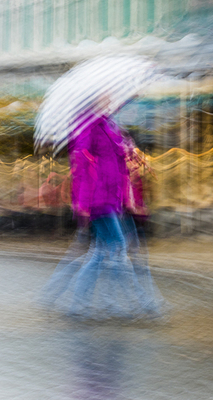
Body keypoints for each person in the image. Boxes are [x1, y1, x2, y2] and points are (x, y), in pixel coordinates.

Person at [37, 108, 164, 320]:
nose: (109, 99)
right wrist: (84, 205)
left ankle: (88, 303)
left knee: (100, 254)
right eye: (103, 96)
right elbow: (84, 168)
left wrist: (130, 158)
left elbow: (117, 168)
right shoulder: (88, 126)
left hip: (111, 201)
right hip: (98, 201)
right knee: (116, 249)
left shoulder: (109, 126)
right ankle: (141, 304)